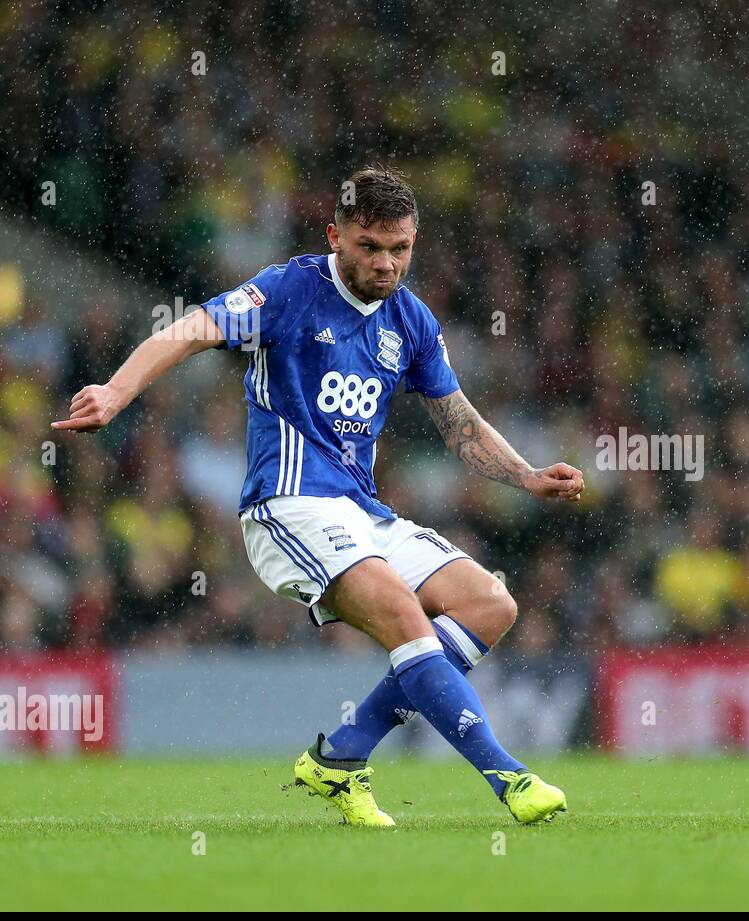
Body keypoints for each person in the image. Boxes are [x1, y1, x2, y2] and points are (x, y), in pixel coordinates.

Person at [52, 166, 583, 827]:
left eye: (401, 248)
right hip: (286, 504)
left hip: (363, 510)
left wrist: (527, 474)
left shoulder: (411, 321)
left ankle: (342, 755)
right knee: (399, 609)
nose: (387, 263)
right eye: (370, 246)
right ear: (336, 236)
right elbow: (189, 329)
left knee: (490, 603)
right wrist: (117, 390)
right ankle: (508, 775)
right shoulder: (288, 289)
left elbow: (460, 422)